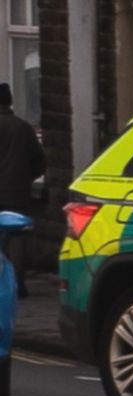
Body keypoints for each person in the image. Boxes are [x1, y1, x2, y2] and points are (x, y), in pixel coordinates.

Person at [0, 83, 45, 298]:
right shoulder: (23, 128)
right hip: (16, 193)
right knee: (16, 237)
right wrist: (24, 179)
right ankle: (15, 281)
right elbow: (39, 162)